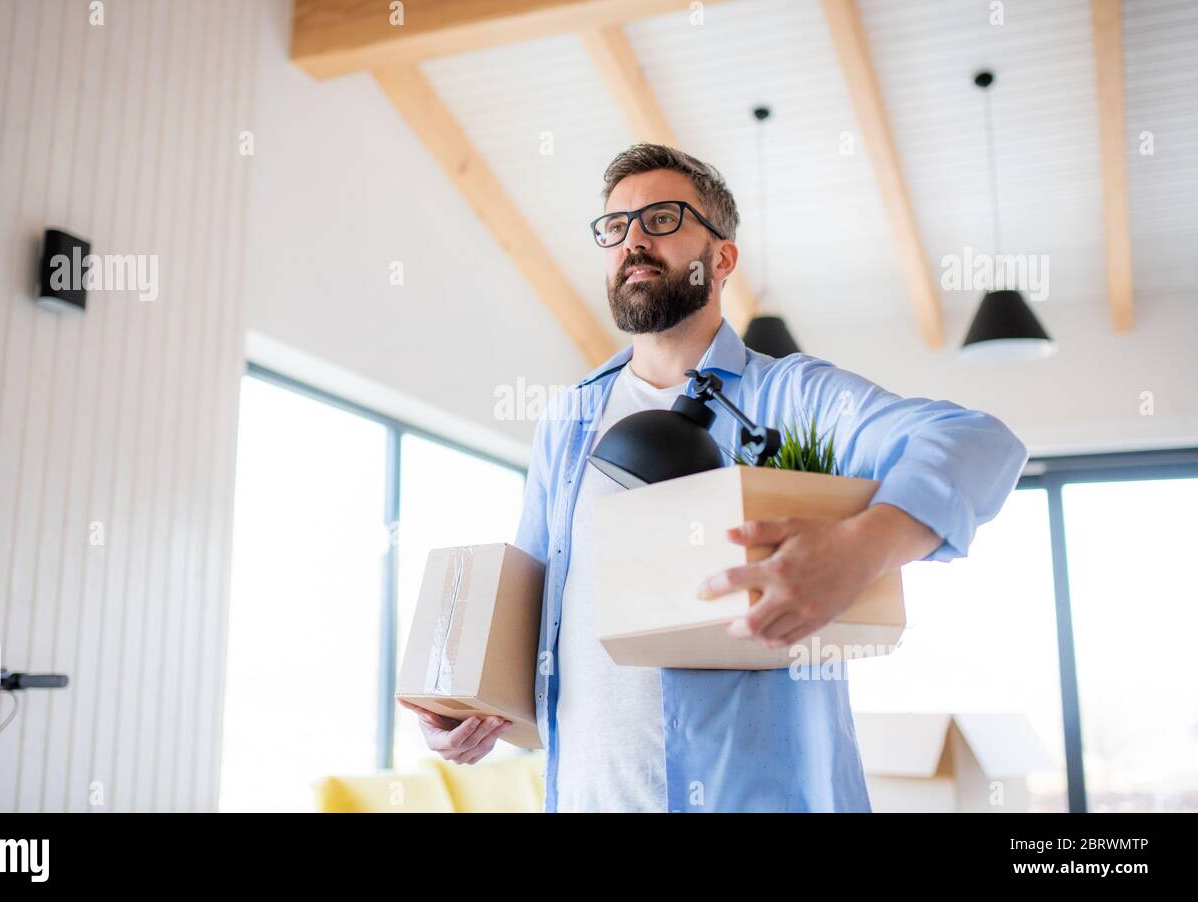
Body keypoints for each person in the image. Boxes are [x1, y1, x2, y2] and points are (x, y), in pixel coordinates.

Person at [402, 143, 1028, 812]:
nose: (633, 240)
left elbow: (978, 443)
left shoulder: (792, 395)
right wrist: (469, 709)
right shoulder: (570, 419)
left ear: (723, 258)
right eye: (615, 227)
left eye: (663, 219)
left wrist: (863, 547)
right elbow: (535, 621)